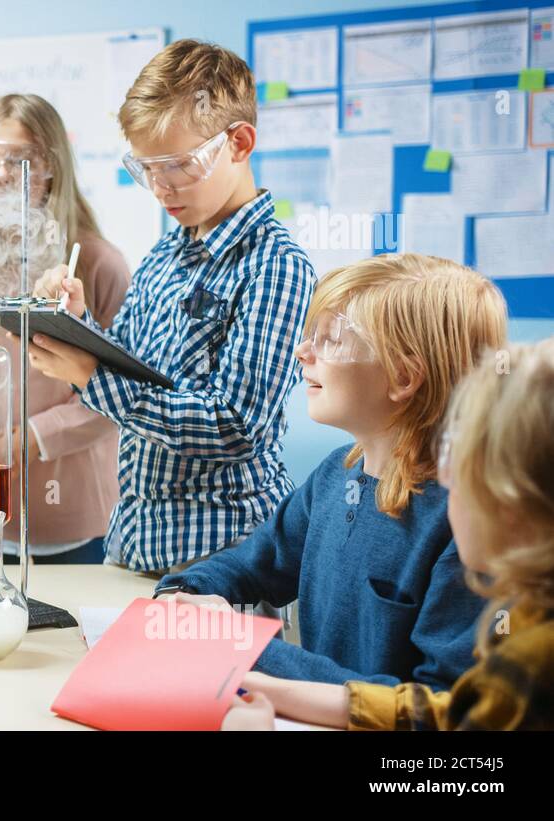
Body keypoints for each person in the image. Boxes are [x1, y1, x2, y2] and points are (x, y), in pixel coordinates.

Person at [30, 39, 315, 575]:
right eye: (147, 168)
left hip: (225, 559)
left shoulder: (276, 266)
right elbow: (131, 370)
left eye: (179, 164)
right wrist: (78, 323)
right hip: (134, 545)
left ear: (239, 142)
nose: (161, 187)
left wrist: (92, 376)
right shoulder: (165, 252)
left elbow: (234, 426)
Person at [160, 254, 507, 688]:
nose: (301, 352)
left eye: (331, 339)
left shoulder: (467, 523)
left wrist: (246, 649)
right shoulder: (335, 476)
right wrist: (184, 593)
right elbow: (253, 563)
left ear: (403, 376)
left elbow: (434, 703)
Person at [224, 338, 554, 731]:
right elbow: (447, 712)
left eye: (453, 458)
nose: (444, 486)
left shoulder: (535, 658)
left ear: (511, 499)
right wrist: (279, 690)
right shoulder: (528, 614)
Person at [0, 94, 130, 563]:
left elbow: (119, 395)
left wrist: (26, 439)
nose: (1, 175)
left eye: (20, 160)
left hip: (73, 525)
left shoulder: (98, 265)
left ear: (51, 167)